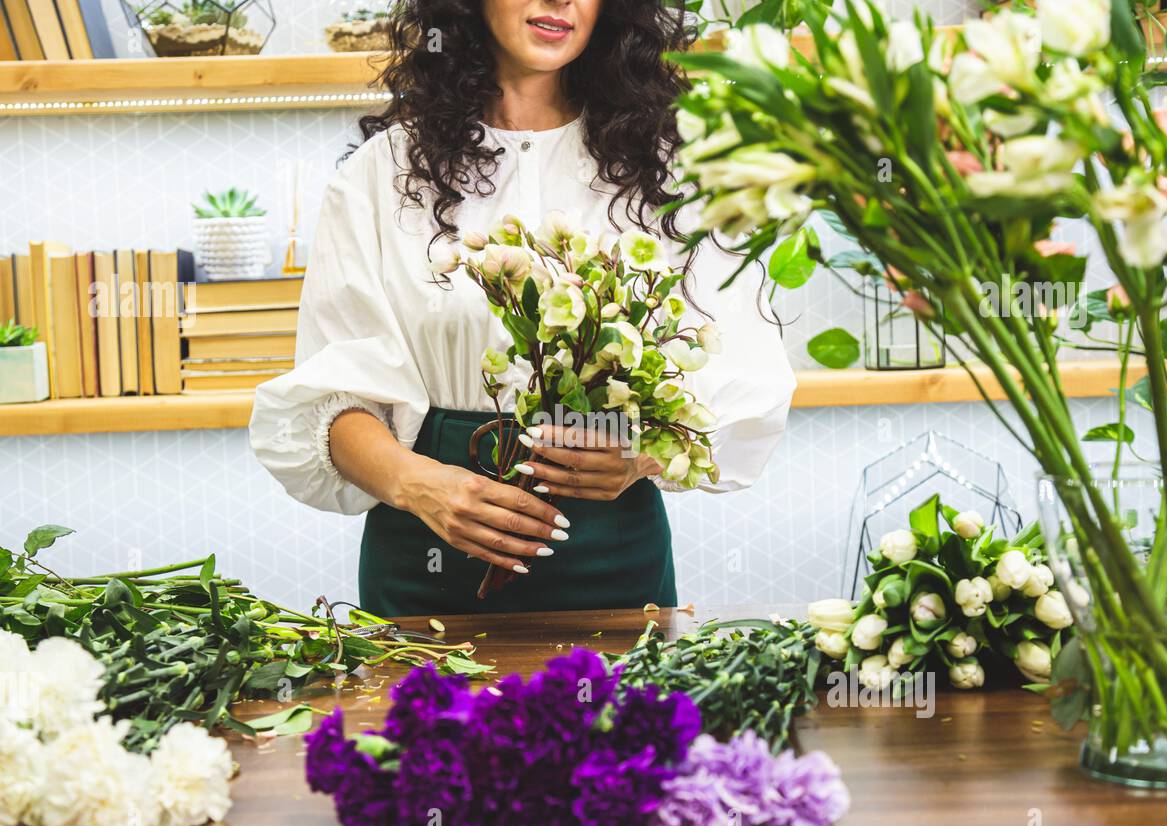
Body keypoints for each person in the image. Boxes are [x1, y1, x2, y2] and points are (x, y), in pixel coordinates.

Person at [249, 0, 796, 616]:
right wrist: (417, 484)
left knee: (618, 714)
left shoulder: (676, 169)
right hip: (427, 550)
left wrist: (640, 455)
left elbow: (747, 373)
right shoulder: (387, 173)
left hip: (611, 553)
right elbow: (335, 393)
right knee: (427, 713)